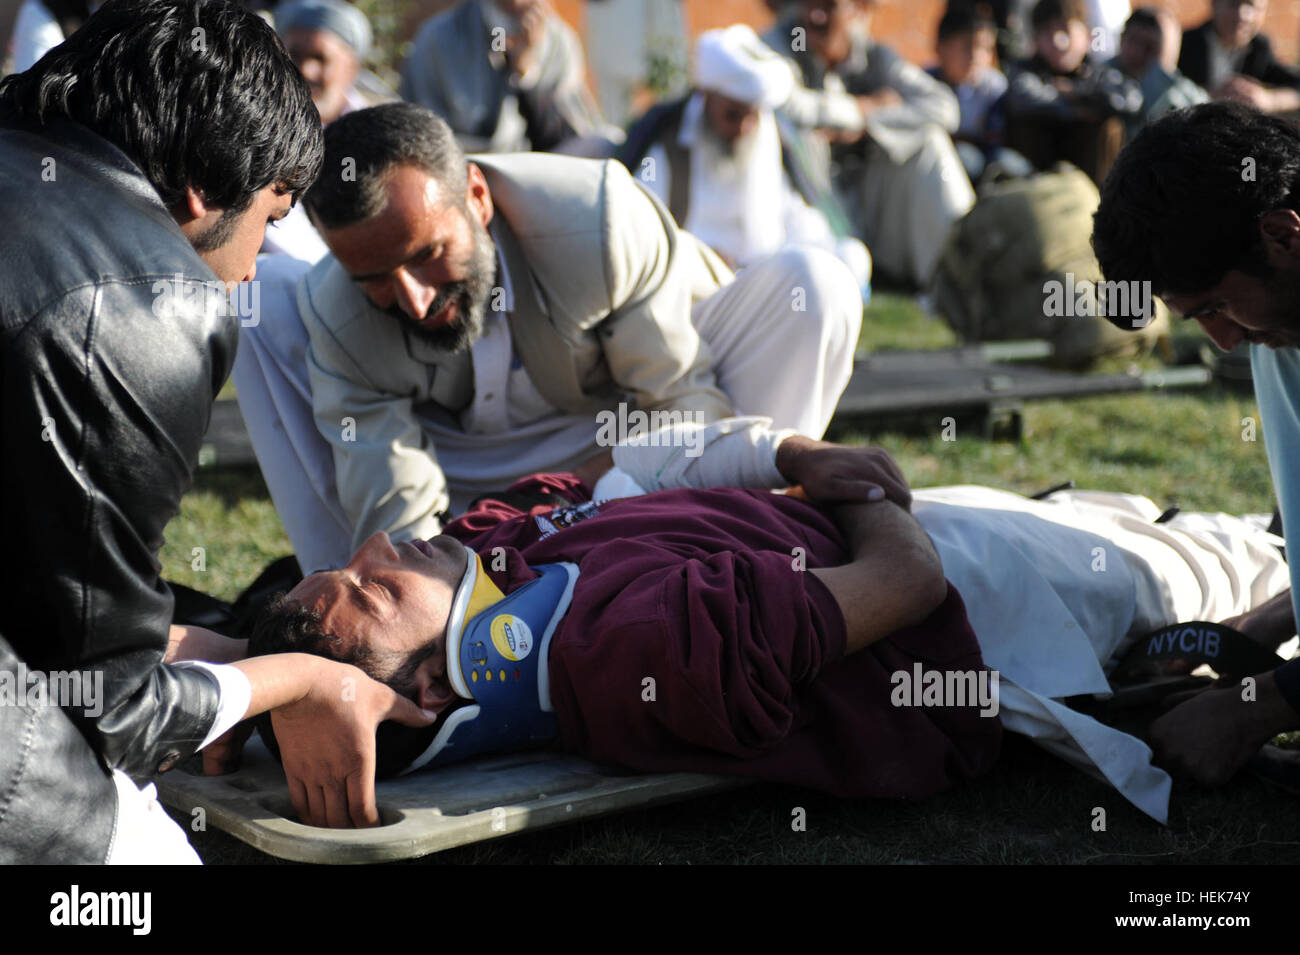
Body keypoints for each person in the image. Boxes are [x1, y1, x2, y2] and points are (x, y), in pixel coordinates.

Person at [241, 421, 1290, 821]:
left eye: (356, 559)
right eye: (374, 590)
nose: (380, 549)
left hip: (936, 528)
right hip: (993, 607)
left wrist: (789, 456)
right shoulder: (625, 654)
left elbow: (630, 460)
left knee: (1135, 519)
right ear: (432, 689)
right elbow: (904, 591)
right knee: (1227, 555)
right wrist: (859, 494)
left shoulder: (487, 552)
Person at [0, 0, 434, 863]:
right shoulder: (138, 300)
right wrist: (302, 678)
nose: (248, 276)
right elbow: (112, 711)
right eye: (272, 222)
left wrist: (207, 647)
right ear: (202, 185)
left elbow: (48, 618)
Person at [233, 103, 862, 576]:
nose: (414, 299)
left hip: (618, 434)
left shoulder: (598, 218)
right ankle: (343, 595)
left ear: (477, 197)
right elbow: (391, 498)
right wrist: (422, 588)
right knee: (261, 301)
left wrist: (587, 481)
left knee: (815, 284)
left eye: (427, 254)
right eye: (373, 278)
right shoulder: (335, 304)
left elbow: (682, 404)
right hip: (460, 462)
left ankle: (735, 548)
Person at [1092, 101, 1300, 787]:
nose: (1222, 341)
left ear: (1281, 235)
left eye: (1213, 305)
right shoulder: (1279, 320)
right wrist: (1266, 622)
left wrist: (1256, 707)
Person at [618, 24, 872, 292]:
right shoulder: (668, 137)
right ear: (707, 96)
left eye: (751, 117)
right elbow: (641, 219)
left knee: (851, 258)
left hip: (760, 271)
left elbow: (792, 212)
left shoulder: (768, 134)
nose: (742, 128)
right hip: (686, 272)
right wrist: (698, 256)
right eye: (732, 115)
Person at [762, 0, 974, 288]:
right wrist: (860, 109)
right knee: (804, 138)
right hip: (801, 207)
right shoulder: (782, 43)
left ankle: (960, 279)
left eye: (828, 6)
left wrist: (867, 125)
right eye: (808, 4)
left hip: (869, 199)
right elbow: (784, 103)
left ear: (857, 10)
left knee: (930, 143)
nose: (814, 16)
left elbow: (943, 108)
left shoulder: (876, 57)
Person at [263, 0, 384, 264]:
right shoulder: (257, 125)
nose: (306, 70)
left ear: (351, 67)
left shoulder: (376, 133)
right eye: (295, 55)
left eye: (320, 58)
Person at [399, 0, 605, 154]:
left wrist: (525, 74)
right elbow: (417, 130)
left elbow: (566, 135)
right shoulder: (438, 38)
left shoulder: (559, 42)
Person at [1003, 0, 1142, 185]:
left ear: (1087, 36)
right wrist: (1074, 111)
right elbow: (1022, 99)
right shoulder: (1024, 72)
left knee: (1110, 127)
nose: (1058, 41)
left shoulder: (1099, 73)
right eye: (1048, 32)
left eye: (1066, 30)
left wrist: (1077, 93)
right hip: (1039, 178)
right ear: (1035, 39)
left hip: (1093, 178)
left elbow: (1130, 100)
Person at [927, 4, 1020, 184]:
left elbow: (994, 138)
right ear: (940, 47)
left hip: (986, 156)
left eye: (986, 48)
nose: (976, 56)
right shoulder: (923, 83)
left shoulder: (995, 87)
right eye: (966, 47)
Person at [1178, 0, 1300, 115]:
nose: (1243, 16)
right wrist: (1208, 96)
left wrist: (1269, 100)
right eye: (1233, 4)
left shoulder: (1259, 48)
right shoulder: (1184, 44)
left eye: (1251, 5)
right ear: (1214, 4)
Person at [1108, 7, 1208, 141]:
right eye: (1132, 41)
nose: (1137, 53)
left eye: (1149, 46)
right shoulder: (1103, 75)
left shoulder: (1183, 92)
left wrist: (1163, 69)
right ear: (1121, 38)